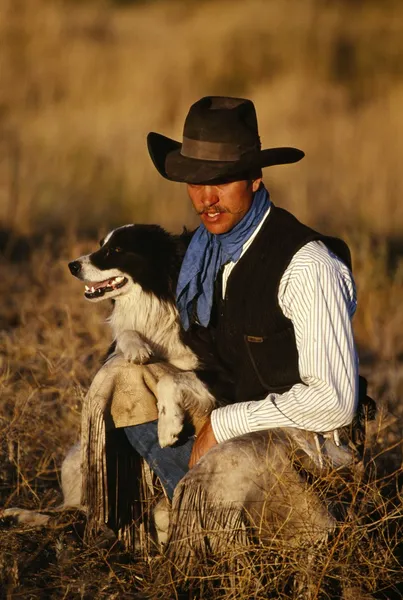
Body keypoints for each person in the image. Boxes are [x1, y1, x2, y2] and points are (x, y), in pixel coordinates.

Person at [124, 95, 359, 499]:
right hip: (233, 412)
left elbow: (334, 403)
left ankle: (197, 516)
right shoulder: (203, 253)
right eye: (195, 183)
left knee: (233, 465)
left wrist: (224, 424)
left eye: (222, 181)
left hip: (304, 441)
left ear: (255, 179)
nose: (206, 199)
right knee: (124, 380)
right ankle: (177, 501)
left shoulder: (307, 267)